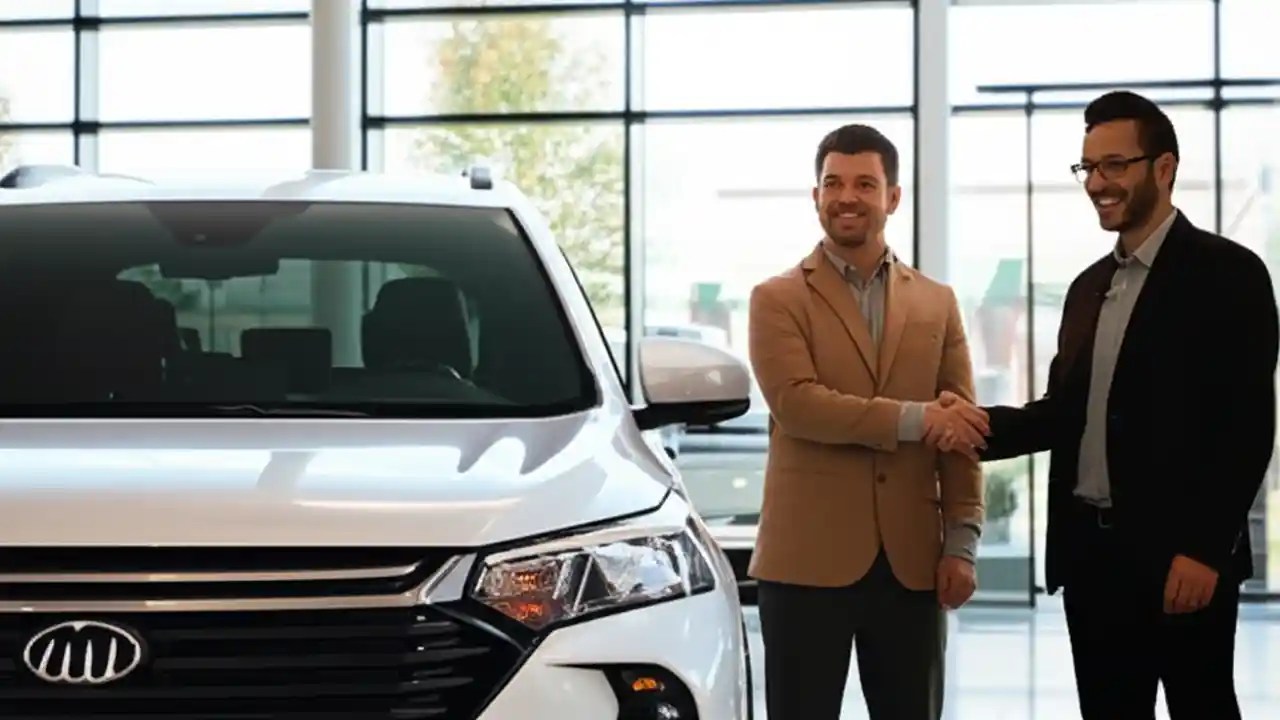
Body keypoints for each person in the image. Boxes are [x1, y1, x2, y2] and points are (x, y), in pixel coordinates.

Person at [955, 90, 1278, 720]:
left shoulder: (1229, 273)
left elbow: (1247, 427)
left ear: (1163, 168)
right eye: (1088, 168)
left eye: (1114, 165)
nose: (1097, 183)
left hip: (1183, 561)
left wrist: (1206, 549)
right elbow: (1064, 413)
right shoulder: (1086, 289)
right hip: (1093, 562)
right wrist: (976, 426)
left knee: (1203, 706)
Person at [746, 123, 991, 720]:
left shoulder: (937, 302)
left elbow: (960, 429)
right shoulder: (776, 298)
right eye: (833, 182)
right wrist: (916, 420)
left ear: (893, 196)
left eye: (864, 183)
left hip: (911, 566)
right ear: (816, 196)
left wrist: (962, 542)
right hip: (804, 564)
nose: (846, 196)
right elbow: (799, 405)